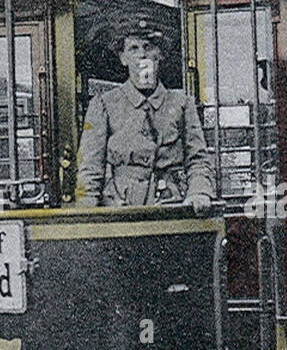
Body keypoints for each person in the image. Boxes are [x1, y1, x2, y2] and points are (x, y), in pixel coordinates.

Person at [77, 12, 213, 210]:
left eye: (148, 48)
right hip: (121, 211)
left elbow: (198, 159)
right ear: (123, 58)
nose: (142, 55)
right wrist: (87, 214)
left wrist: (199, 192)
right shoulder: (104, 105)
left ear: (159, 55)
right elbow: (90, 168)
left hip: (172, 207)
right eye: (133, 49)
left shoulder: (182, 104)